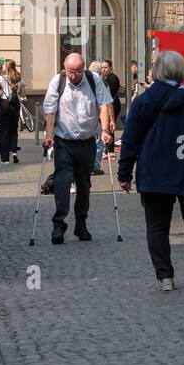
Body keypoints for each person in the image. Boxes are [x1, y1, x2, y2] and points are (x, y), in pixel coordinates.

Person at [118, 51, 184, 290]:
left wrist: (124, 173)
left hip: (155, 173)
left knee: (157, 225)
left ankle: (165, 277)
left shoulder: (144, 101)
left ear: (157, 72)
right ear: (181, 72)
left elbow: (130, 140)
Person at [42, 52, 114, 244]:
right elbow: (50, 110)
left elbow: (103, 106)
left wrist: (105, 129)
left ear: (83, 69)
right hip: (63, 141)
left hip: (87, 141)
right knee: (63, 181)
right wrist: (49, 135)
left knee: (84, 185)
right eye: (70, 71)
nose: (73, 75)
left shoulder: (93, 79)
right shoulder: (58, 81)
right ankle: (59, 225)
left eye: (77, 72)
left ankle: (81, 225)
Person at [0, 60, 17, 163]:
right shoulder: (18, 77)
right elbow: (23, 94)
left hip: (4, 104)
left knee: (4, 131)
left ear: (7, 67)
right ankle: (14, 151)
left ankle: (5, 159)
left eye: (4, 66)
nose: (2, 67)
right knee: (13, 129)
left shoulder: (0, 78)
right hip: (15, 105)